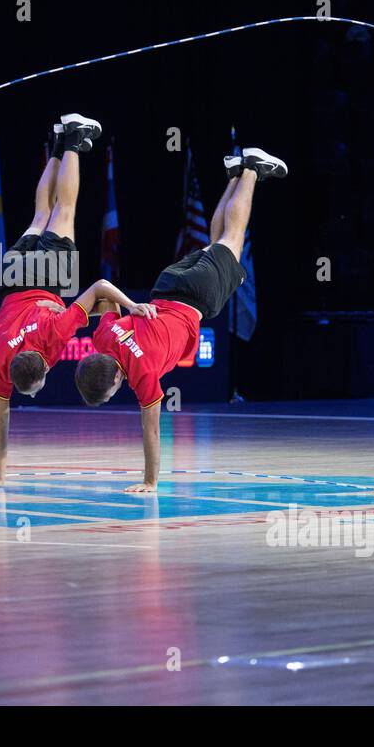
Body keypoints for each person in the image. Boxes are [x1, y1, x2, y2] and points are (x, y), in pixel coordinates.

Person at [74, 145, 288, 493]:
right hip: (166, 283)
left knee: (231, 240)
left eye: (113, 393)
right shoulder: (103, 339)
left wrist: (149, 481)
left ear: (115, 378)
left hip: (197, 298)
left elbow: (152, 431)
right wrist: (122, 306)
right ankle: (234, 175)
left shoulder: (140, 376)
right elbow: (103, 295)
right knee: (216, 243)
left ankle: (251, 170)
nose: (117, 393)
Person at [0, 114, 153, 488]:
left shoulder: (55, 335)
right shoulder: (0, 363)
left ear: (44, 370)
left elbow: (100, 286)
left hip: (48, 277)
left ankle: (72, 137)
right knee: (41, 212)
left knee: (63, 211)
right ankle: (56, 143)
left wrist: (131, 306)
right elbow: (0, 422)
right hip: (10, 279)